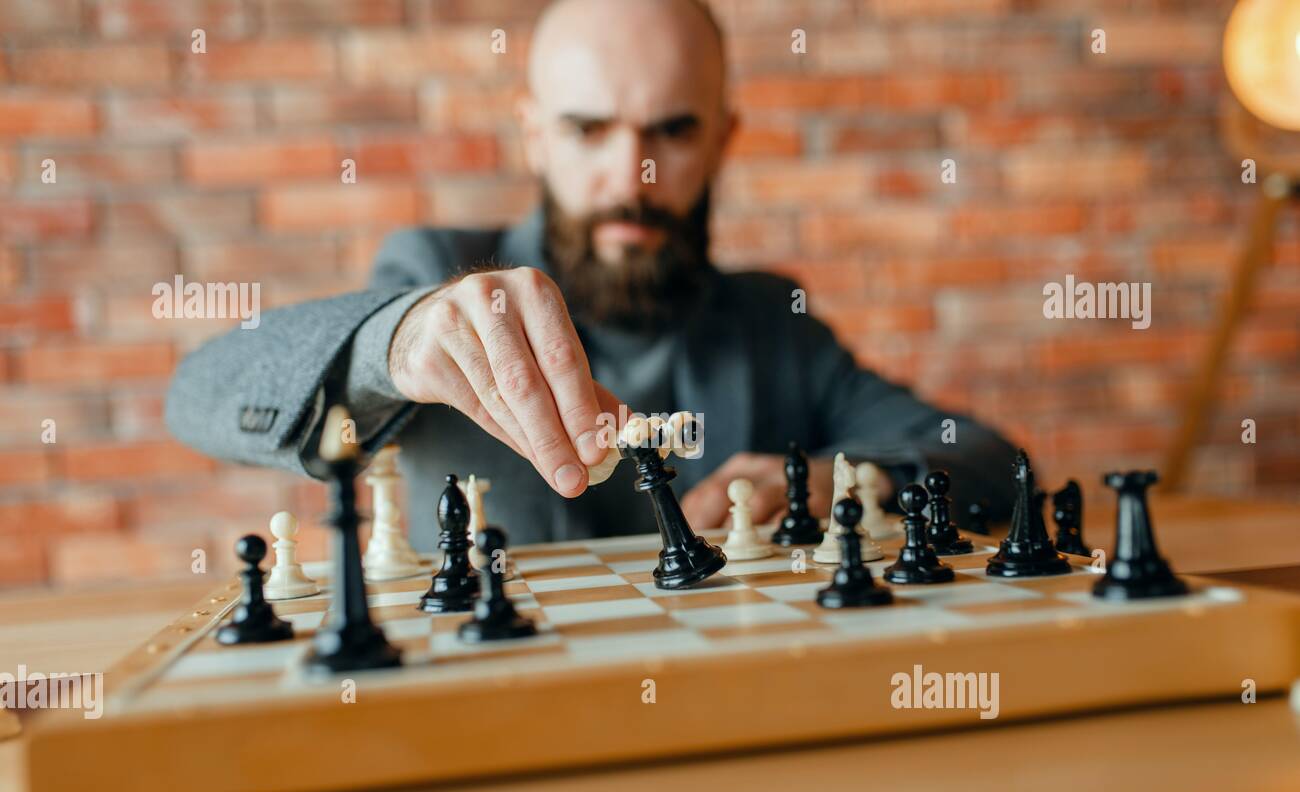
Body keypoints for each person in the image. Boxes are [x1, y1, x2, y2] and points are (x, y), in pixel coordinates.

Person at [165, 0, 1017, 552]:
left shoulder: (774, 321)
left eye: (672, 132)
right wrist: (395, 338)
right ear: (534, 136)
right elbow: (197, 393)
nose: (631, 175)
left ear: (724, 138)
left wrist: (843, 480)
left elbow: (986, 457)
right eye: (588, 131)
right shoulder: (433, 273)